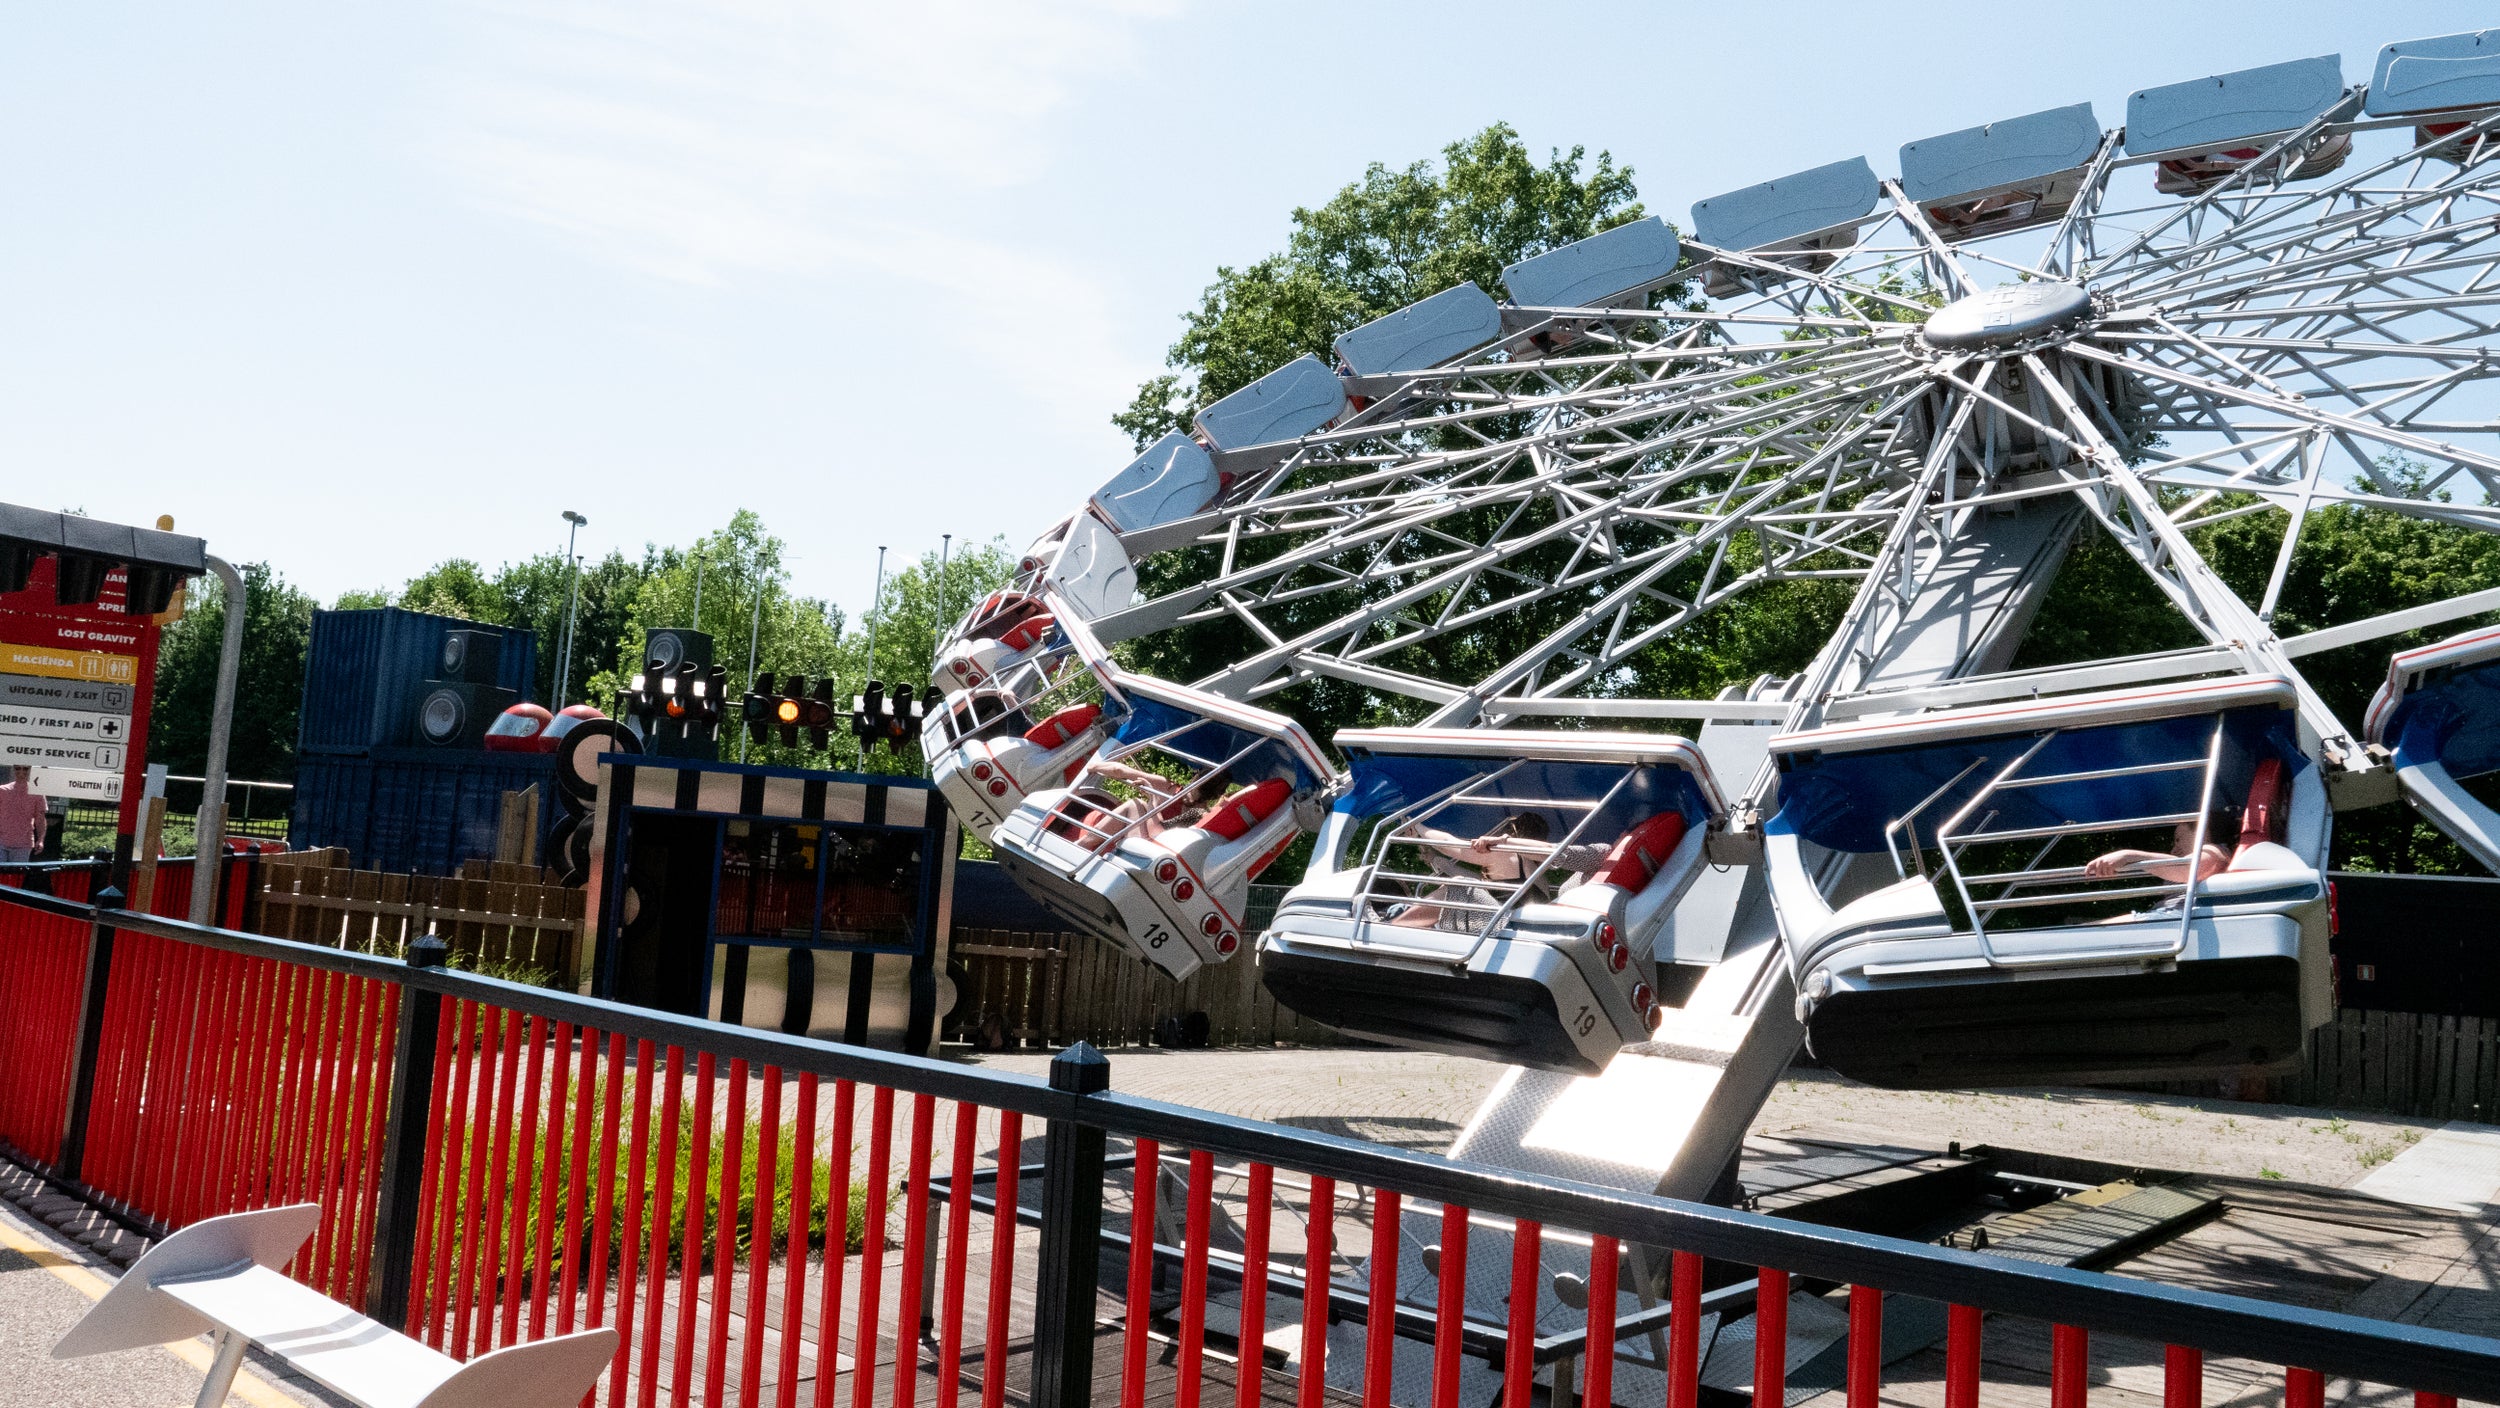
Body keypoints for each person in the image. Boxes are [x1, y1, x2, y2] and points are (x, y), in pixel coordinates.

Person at [1387, 812, 1608, 931]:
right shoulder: (1538, 871)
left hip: (1504, 929)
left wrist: (1418, 828)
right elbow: (1490, 890)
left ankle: (1394, 929)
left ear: (1510, 831)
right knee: (1462, 883)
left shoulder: (1506, 851)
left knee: (1461, 885)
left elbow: (1450, 844)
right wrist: (1438, 861)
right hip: (1513, 927)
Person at [2082, 813, 2235, 885]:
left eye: (2178, 839)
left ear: (2202, 830)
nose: (2174, 849)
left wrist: (2128, 856)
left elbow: (2188, 869)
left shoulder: (2216, 851)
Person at [0, 765, 45, 864]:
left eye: (25, 768)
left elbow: (40, 819)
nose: (21, 771)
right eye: (17, 768)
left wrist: (41, 840)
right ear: (13, 769)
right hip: (1, 842)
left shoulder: (37, 793)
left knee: (16, 877)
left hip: (23, 844)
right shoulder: (2, 790)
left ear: (30, 770)